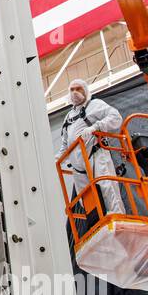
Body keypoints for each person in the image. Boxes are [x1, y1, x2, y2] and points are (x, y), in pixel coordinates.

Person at [58, 79, 125, 217]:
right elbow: (65, 143)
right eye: (72, 89)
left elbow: (115, 117)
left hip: (95, 154)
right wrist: (58, 158)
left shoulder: (94, 105)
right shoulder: (68, 117)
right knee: (85, 196)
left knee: (106, 186)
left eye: (79, 89)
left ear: (86, 91)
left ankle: (117, 216)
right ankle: (96, 221)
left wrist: (96, 127)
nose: (75, 92)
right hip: (77, 165)